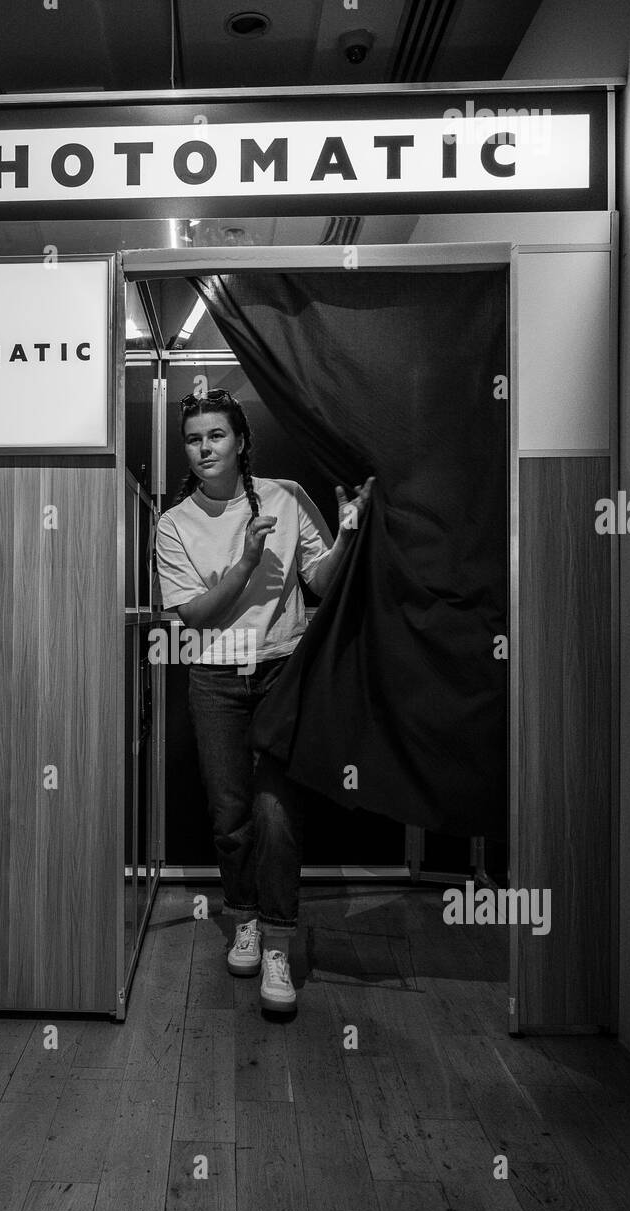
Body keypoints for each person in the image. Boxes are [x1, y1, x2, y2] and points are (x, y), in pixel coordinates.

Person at [155, 387, 373, 1014]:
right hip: (214, 678)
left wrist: (352, 530)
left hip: (283, 673)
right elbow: (194, 615)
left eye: (216, 436)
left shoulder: (285, 496)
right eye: (194, 440)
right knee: (230, 817)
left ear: (241, 440)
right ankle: (243, 918)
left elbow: (322, 581)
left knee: (277, 813)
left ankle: (277, 943)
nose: (204, 449)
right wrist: (249, 559)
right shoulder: (174, 524)